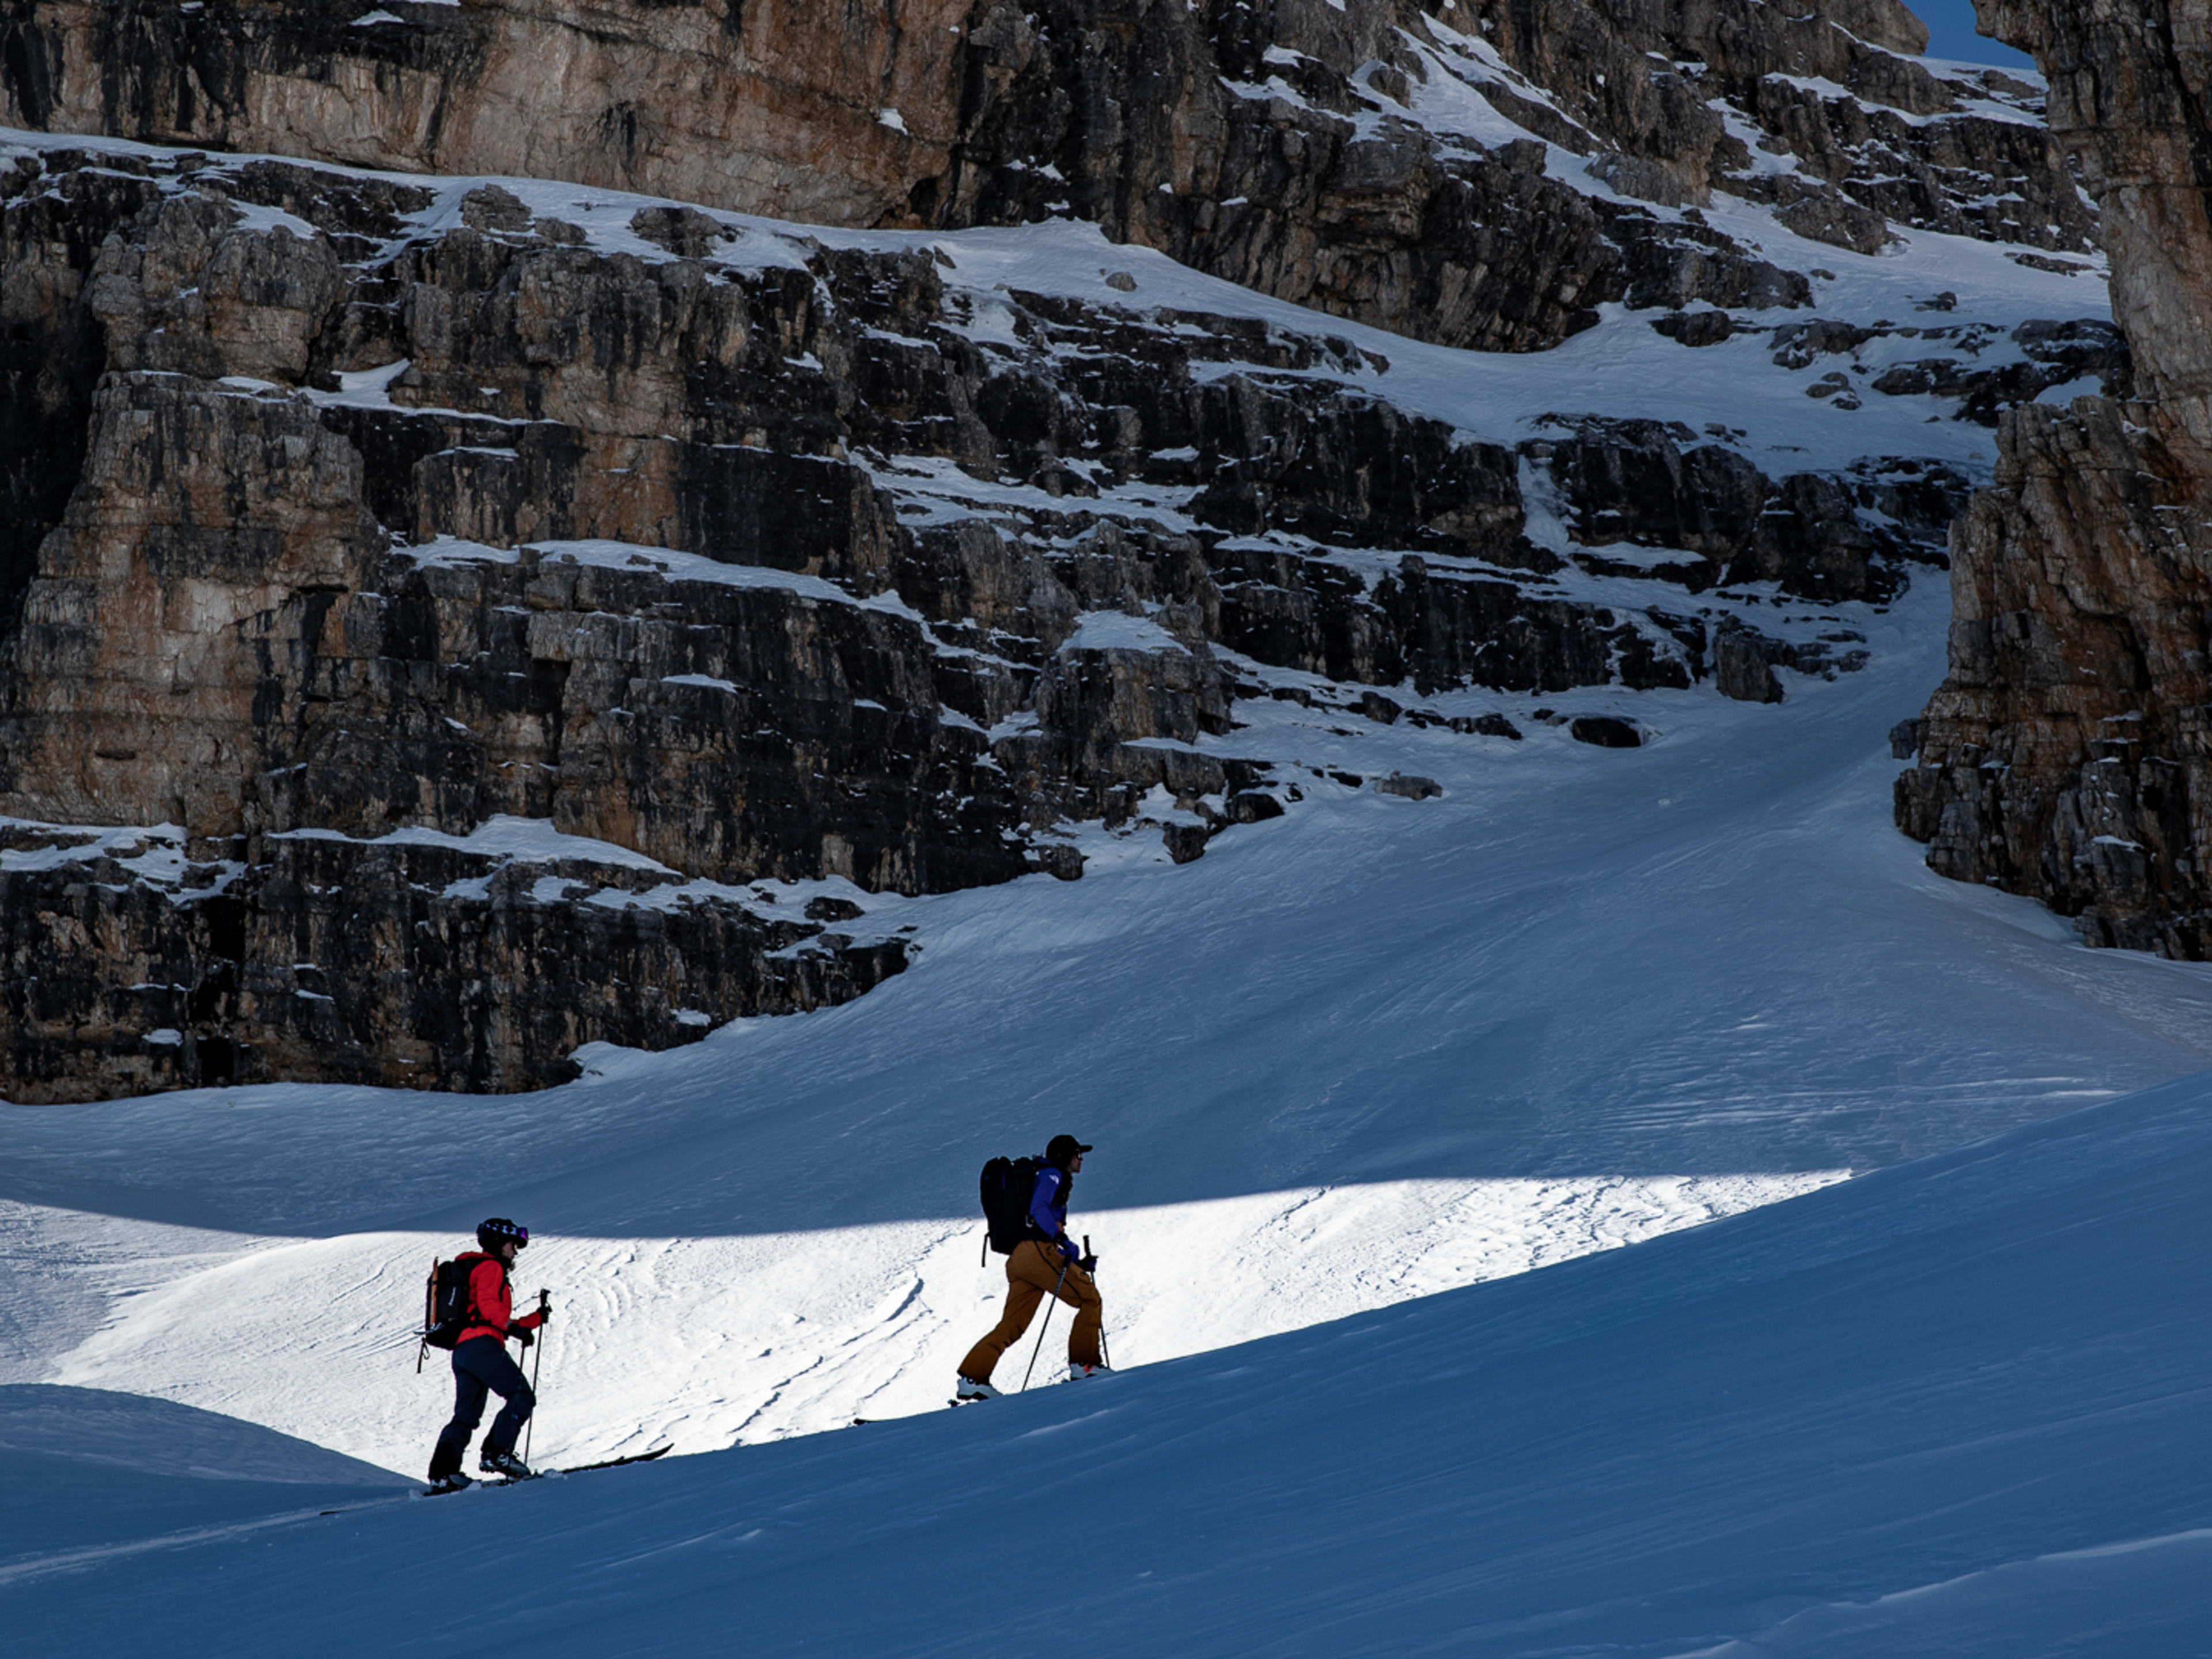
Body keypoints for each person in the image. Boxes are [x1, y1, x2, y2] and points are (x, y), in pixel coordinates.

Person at [956, 1135, 1108, 1399]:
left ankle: (973, 1378)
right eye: (1077, 1154)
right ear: (1064, 1156)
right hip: (1038, 1250)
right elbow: (1039, 1209)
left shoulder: (1044, 1173)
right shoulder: (1052, 1175)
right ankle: (1086, 1365)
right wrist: (1060, 1238)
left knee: (1012, 1325)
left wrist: (1078, 1263)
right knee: (1090, 1299)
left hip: (1019, 1259)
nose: (1081, 1159)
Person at [427, 1217, 550, 1490]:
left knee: (466, 1416)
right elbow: (488, 1307)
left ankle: (443, 1473)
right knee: (521, 1396)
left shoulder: (470, 1266)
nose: (514, 1251)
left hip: (463, 1350)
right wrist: (513, 1328)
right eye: (511, 1244)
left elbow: (484, 1315)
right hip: (483, 1346)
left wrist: (532, 1321)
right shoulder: (491, 1267)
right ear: (497, 1243)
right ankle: (498, 1454)